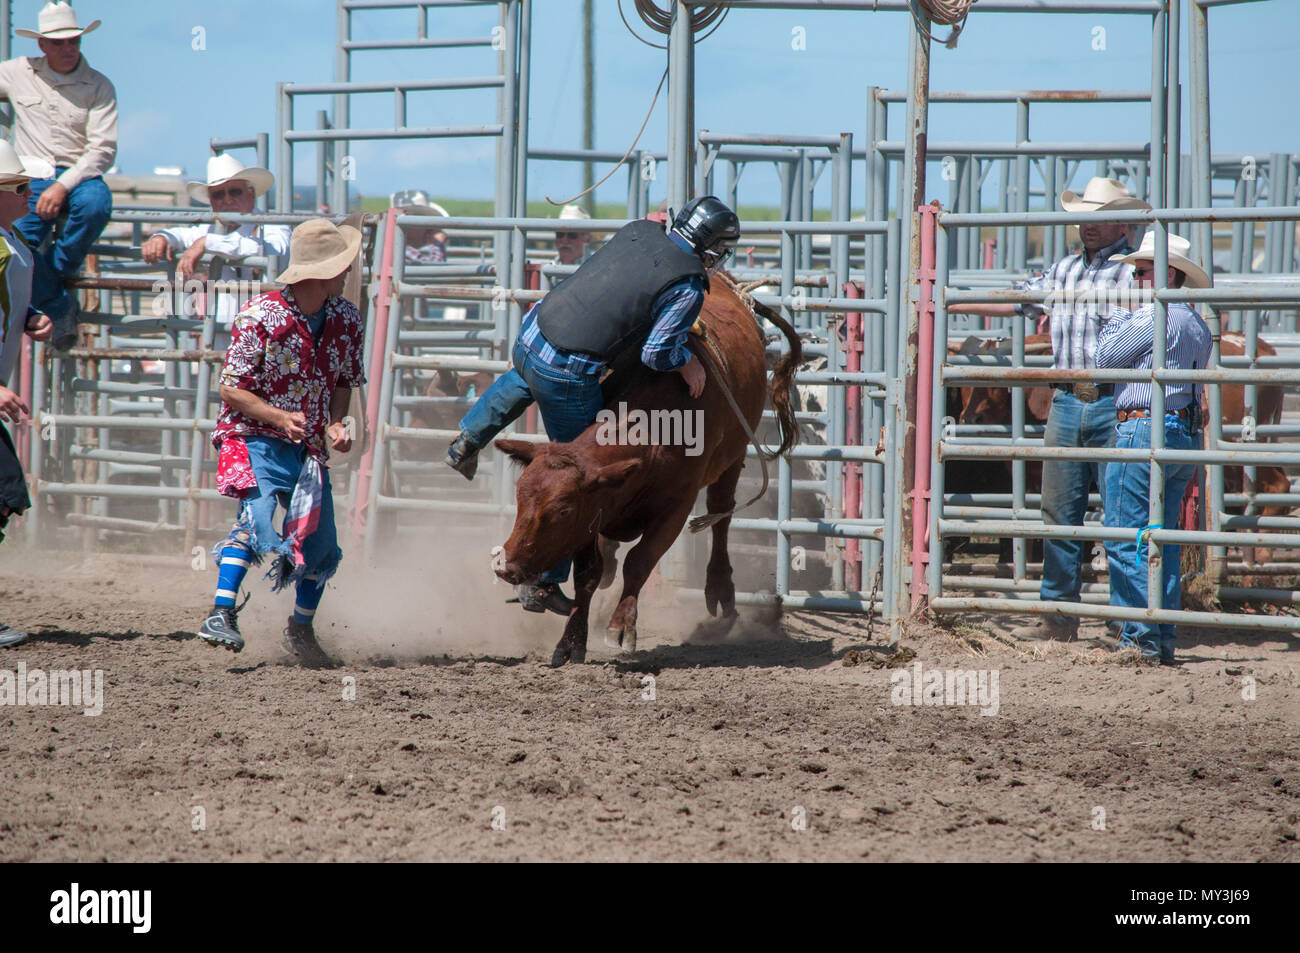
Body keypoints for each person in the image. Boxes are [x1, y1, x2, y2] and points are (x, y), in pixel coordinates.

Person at [444, 196, 741, 613]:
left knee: (519, 380)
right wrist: (686, 362)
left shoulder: (639, 230)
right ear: (711, 250)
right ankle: (543, 582)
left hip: (533, 337)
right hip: (569, 372)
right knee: (577, 476)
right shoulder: (688, 284)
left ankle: (468, 439)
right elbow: (656, 352)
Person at [948, 177, 1149, 640]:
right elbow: (1018, 296)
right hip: (1065, 400)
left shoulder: (1131, 273)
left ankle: (1126, 618)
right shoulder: (1062, 271)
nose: (1088, 226)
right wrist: (949, 298)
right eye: (1083, 217)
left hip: (1115, 400)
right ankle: (1058, 616)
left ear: (1120, 220)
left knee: (1120, 514)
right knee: (1059, 512)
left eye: (1098, 218)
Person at [195, 219, 366, 667]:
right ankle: (221, 612)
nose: (348, 272)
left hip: (305, 445)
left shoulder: (346, 319)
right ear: (323, 272)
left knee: (321, 542)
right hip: (253, 436)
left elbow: (345, 379)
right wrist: (276, 416)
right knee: (257, 521)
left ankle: (301, 629)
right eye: (341, 265)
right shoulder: (259, 317)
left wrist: (334, 422)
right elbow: (231, 389)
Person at [1095, 233, 1212, 666]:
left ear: (1166, 274)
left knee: (1127, 536)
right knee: (1163, 539)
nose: (1134, 276)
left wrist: (1113, 320)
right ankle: (1160, 635)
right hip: (1182, 431)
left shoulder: (1154, 315)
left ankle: (1139, 637)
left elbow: (1105, 358)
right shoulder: (1196, 322)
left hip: (1143, 427)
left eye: (1141, 270)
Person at [0, 2, 116, 351]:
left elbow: (102, 150)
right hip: (31, 174)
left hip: (78, 174)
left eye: (74, 42)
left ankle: (51, 280)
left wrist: (62, 186)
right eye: (60, 42)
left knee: (95, 204)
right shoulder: (17, 72)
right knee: (15, 246)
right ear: (42, 45)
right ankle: (58, 296)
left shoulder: (98, 85)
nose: (68, 49)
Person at [0, 142, 54, 647]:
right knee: (4, 493)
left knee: (4, 495)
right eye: (19, 187)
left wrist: (29, 313)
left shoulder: (11, 240)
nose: (28, 194)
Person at [140, 154, 290, 337]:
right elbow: (180, 234)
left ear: (250, 193)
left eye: (235, 191)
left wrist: (207, 243)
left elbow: (272, 249)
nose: (227, 200)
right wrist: (161, 238)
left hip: (267, 331)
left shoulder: (273, 225)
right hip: (224, 332)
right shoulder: (210, 229)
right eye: (219, 194)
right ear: (211, 201)